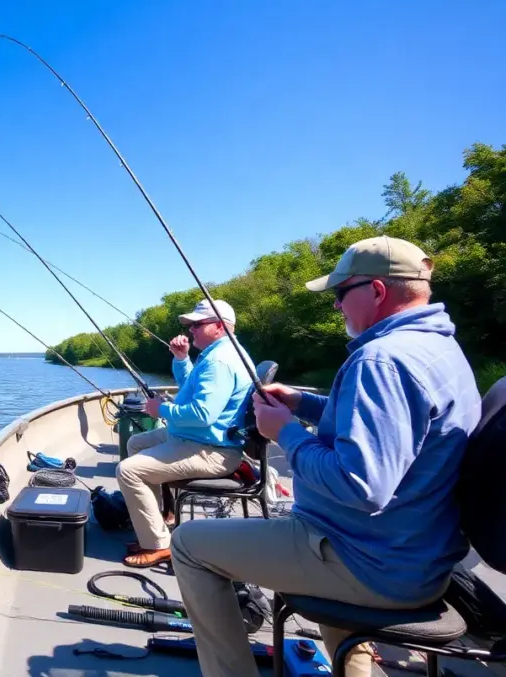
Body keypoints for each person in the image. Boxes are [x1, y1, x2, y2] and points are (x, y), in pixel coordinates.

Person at [170, 236, 482, 677]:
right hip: (410, 553)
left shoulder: (382, 360)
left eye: (340, 294)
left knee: (188, 544)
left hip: (368, 561)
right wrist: (304, 403)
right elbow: (392, 427)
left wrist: (286, 434)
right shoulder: (439, 348)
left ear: (375, 291)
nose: (336, 307)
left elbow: (360, 486)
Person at [116, 298, 255, 568]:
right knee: (136, 443)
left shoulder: (220, 362)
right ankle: (161, 519)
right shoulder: (220, 353)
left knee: (128, 470)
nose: (191, 330)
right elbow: (192, 386)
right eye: (191, 325)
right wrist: (181, 358)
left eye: (197, 325)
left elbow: (203, 415)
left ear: (220, 327)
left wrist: (162, 410)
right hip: (195, 438)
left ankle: (158, 545)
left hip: (211, 449)